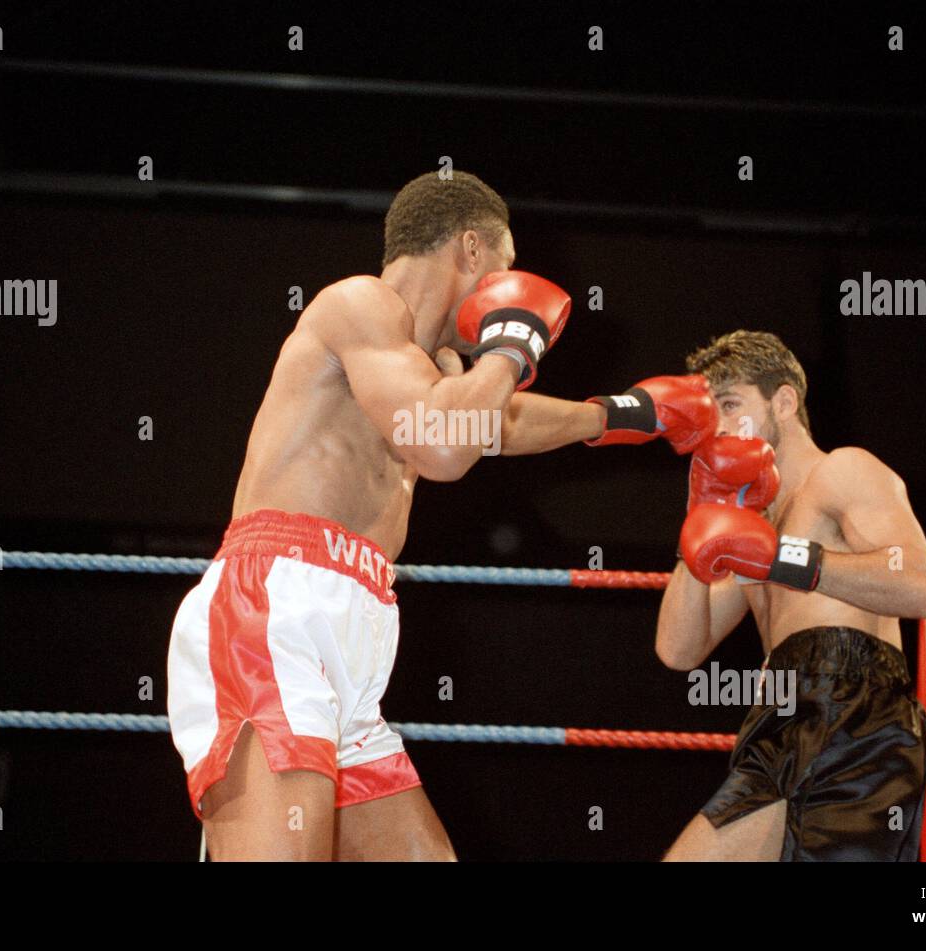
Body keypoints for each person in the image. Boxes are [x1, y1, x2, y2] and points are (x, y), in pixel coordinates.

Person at [166, 171, 712, 860]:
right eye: (507, 267)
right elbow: (445, 443)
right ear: (473, 248)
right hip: (275, 609)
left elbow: (496, 422)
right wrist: (515, 345)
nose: (505, 285)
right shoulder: (360, 304)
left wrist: (626, 413)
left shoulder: (435, 367)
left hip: (351, 634)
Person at [657, 330, 926, 861]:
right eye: (708, 412)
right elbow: (678, 649)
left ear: (783, 401)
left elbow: (923, 587)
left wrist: (787, 561)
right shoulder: (749, 523)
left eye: (730, 404)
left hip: (856, 713)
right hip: (777, 722)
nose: (715, 426)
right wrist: (700, 517)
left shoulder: (842, 470)